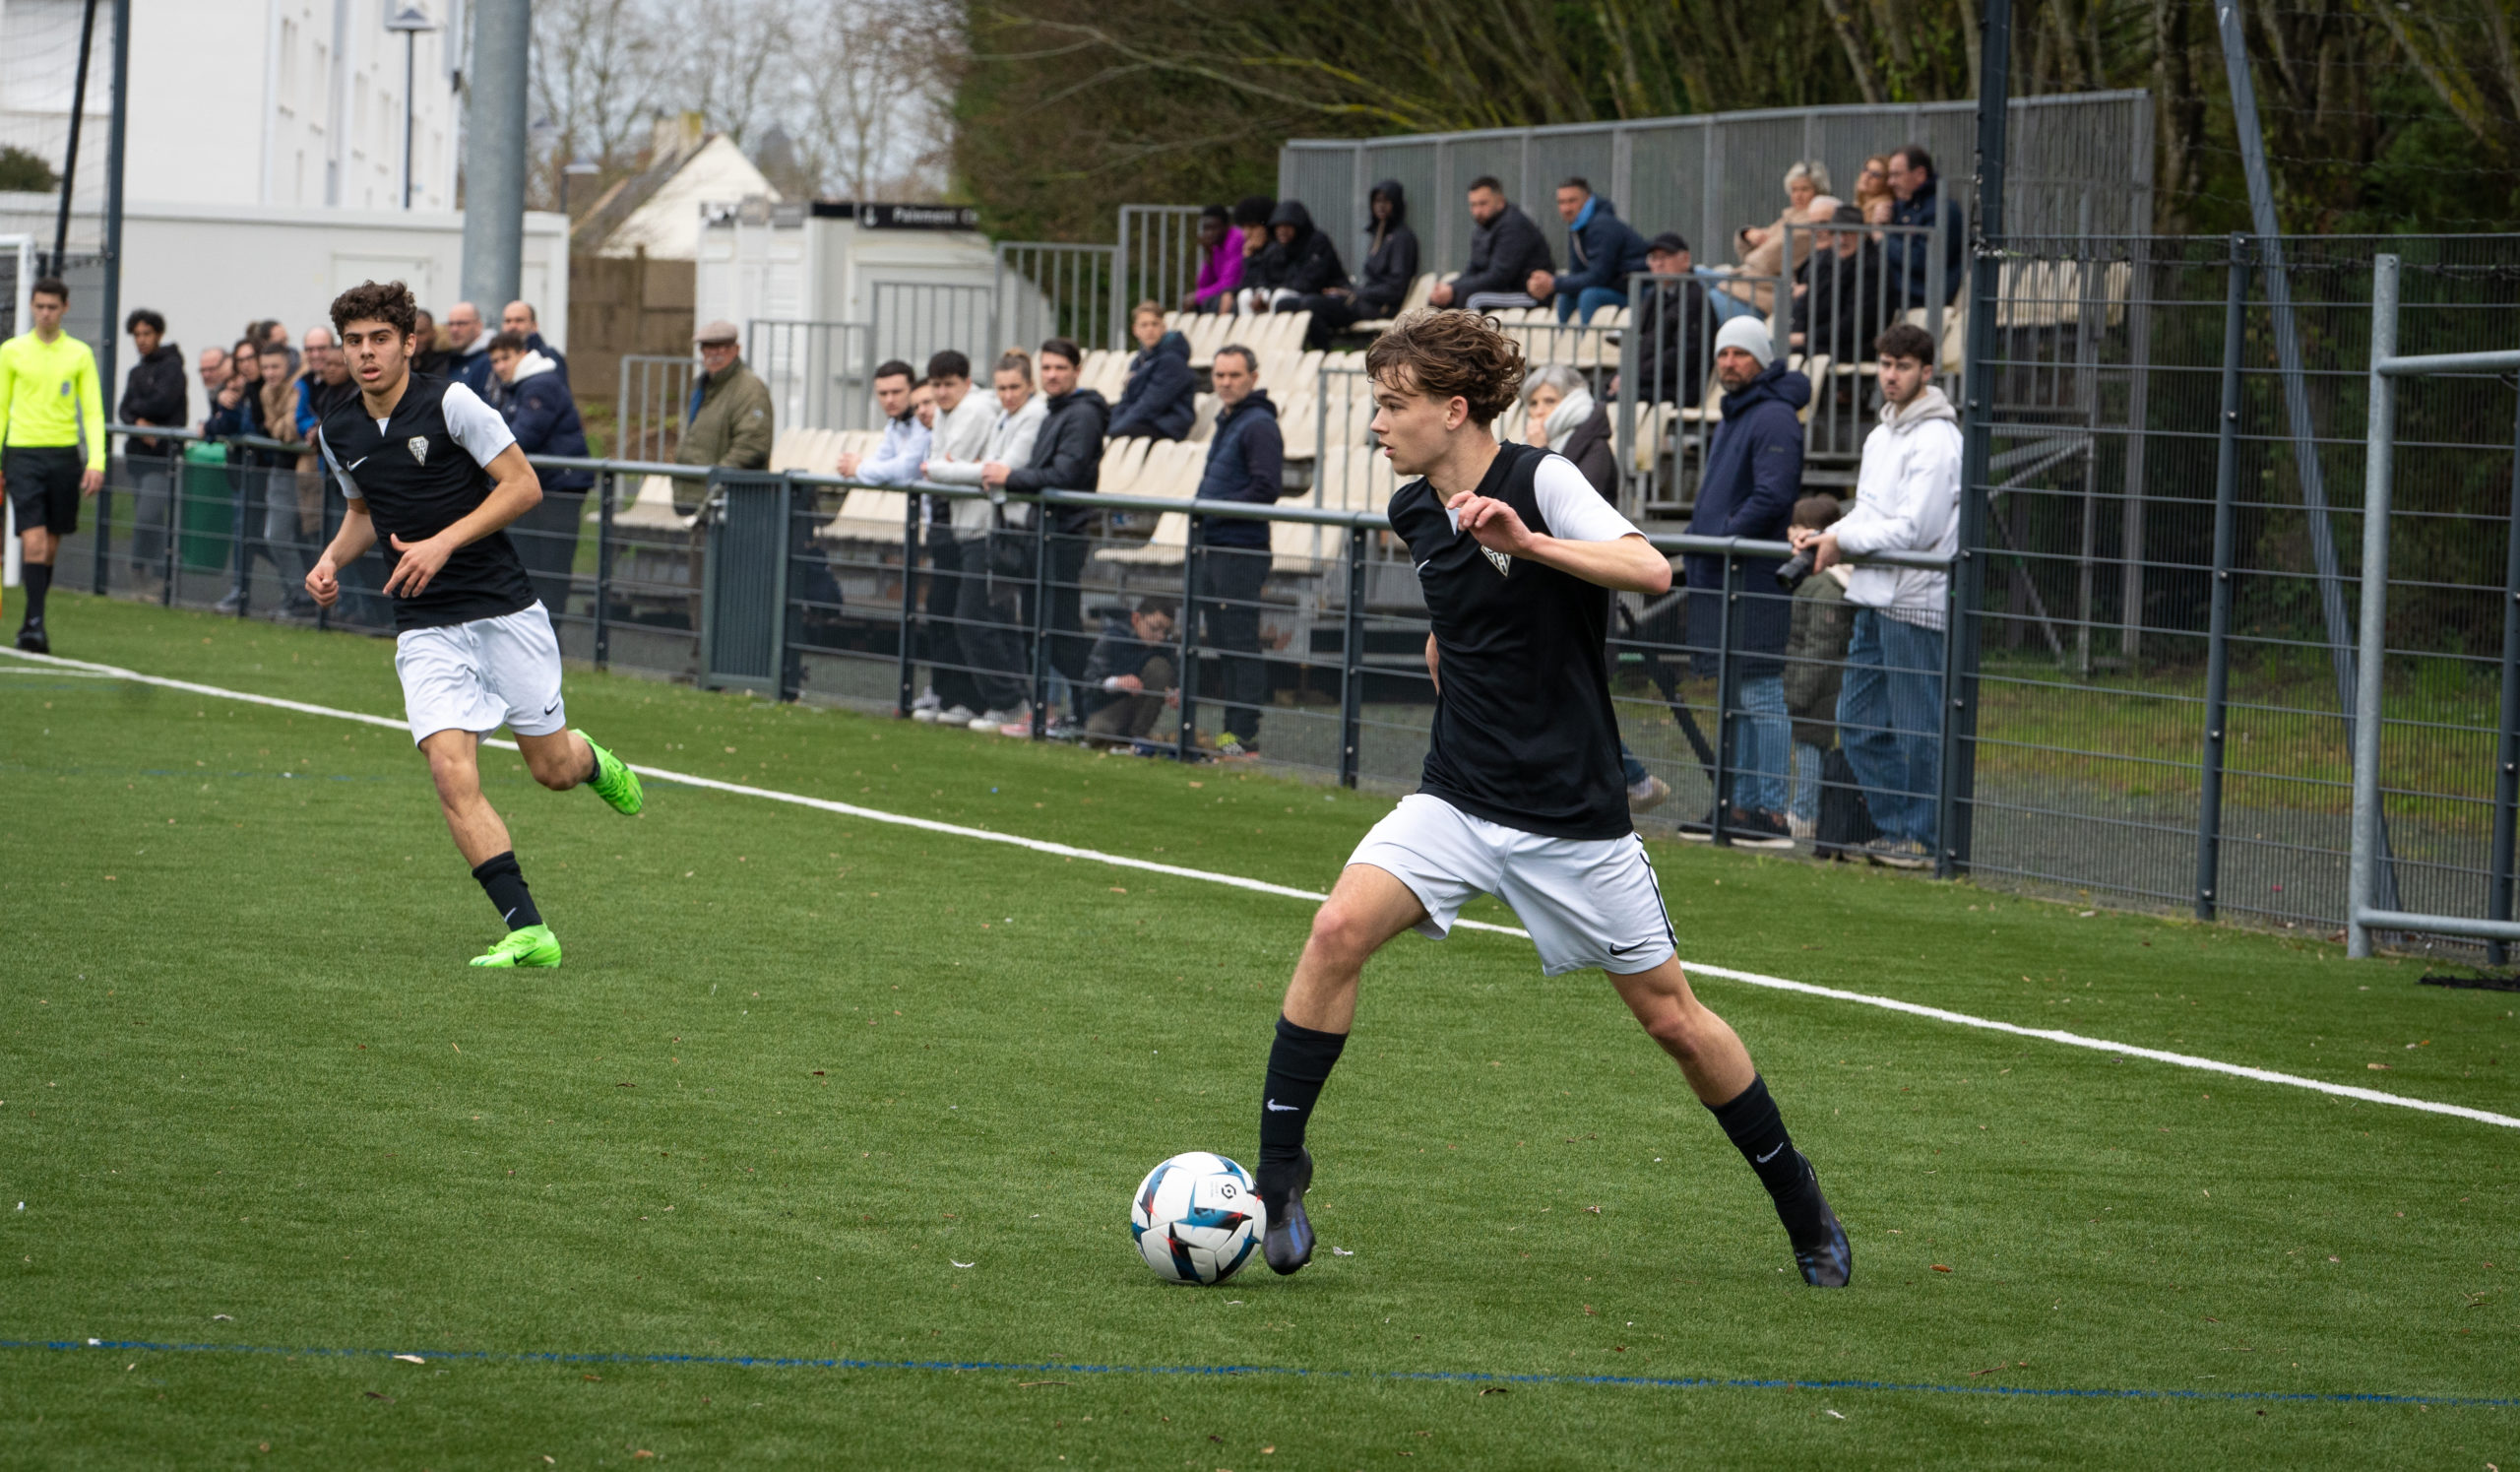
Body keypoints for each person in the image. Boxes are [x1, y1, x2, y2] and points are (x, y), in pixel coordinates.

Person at [1248, 307, 1847, 1289]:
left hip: (1570, 819)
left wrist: (1528, 542)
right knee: (1333, 932)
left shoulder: (1544, 478)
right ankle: (1278, 1175)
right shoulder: (1412, 510)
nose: (1376, 425)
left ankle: (1798, 1199)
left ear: (1452, 409)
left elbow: (1648, 567)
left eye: (1391, 406)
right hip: (1456, 799)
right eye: (1375, 405)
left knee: (1673, 1021)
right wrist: (1454, 646)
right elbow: (1464, 619)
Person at [302, 279, 645, 969]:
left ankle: (586, 757)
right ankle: (529, 930)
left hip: (502, 609)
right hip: (425, 624)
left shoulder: (452, 402)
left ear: (407, 343)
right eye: (354, 342)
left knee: (548, 768)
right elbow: (365, 514)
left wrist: (443, 541)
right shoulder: (335, 429)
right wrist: (330, 559)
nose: (365, 354)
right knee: (449, 770)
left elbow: (524, 486)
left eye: (379, 340)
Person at [1792, 322, 1960, 870]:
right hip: (1870, 594)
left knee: (1918, 729)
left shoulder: (1938, 439)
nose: (1891, 375)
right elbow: (1870, 513)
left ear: (1927, 372)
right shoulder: (1881, 433)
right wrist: (1828, 535)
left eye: (1903, 366)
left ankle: (1925, 840)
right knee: (1858, 723)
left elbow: (1916, 529)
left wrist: (1842, 540)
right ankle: (1903, 833)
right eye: (1885, 364)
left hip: (1914, 602)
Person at [1682, 315, 1806, 850]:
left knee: (1759, 691)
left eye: (1740, 353)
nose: (1729, 362)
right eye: (1723, 352)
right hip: (1722, 573)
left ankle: (1770, 813)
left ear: (1762, 358)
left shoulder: (1774, 416)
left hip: (1749, 576)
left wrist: (1725, 537)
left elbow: (1773, 496)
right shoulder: (1738, 413)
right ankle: (1740, 806)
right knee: (1737, 693)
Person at [1523, 360, 1665, 812]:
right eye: (1533, 403)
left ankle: (1630, 784)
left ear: (1571, 400)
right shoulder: (1566, 446)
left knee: (1571, 703)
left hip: (1577, 597)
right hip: (1553, 594)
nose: (1540, 411)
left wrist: (1535, 455)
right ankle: (1628, 785)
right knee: (1563, 704)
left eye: (1549, 401)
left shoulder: (1589, 451)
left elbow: (1562, 523)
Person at [986, 336, 1108, 727]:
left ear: (1077, 370)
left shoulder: (1082, 415)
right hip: (1045, 533)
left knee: (1060, 633)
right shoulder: (1058, 411)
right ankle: (1064, 714)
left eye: (1060, 368)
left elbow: (1066, 475)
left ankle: (1086, 713)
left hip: (1063, 534)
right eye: (1047, 368)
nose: (1053, 375)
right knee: (1046, 631)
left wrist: (1012, 478)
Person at [924, 350, 1046, 732]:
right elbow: (953, 467)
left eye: (1015, 387)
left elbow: (987, 470)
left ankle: (1012, 703)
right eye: (1003, 388)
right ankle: (1007, 703)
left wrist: (947, 467)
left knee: (977, 618)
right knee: (987, 618)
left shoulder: (985, 411)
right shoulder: (998, 414)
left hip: (993, 529)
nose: (1008, 395)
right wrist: (955, 468)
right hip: (978, 527)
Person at [1185, 344, 1288, 761]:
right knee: (1226, 642)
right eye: (1219, 375)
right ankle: (1234, 733)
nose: (1225, 383)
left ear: (1253, 378)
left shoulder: (1258, 424)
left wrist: (1217, 514)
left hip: (1239, 550)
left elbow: (1266, 488)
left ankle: (1242, 737)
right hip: (1219, 546)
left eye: (1234, 375)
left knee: (1240, 642)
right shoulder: (1228, 420)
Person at [0, 277, 104, 653]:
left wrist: (97, 460)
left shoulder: (78, 354)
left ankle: (33, 616)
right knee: (34, 538)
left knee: (50, 545)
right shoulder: (12, 351)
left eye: (52, 307)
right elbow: (0, 407)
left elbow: (92, 410)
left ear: (65, 308)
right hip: (23, 453)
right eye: (40, 306)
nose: (45, 313)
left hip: (63, 456)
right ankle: (34, 624)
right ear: (31, 306)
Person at [913, 350, 996, 727]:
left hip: (978, 526)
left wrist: (943, 468)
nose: (943, 393)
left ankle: (977, 699)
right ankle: (951, 695)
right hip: (955, 524)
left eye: (949, 384)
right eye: (937, 385)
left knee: (969, 615)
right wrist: (943, 467)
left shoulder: (976, 409)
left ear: (966, 382)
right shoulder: (948, 412)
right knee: (944, 611)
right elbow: (939, 465)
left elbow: (945, 467)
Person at [486, 329, 595, 616]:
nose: (500, 366)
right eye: (494, 361)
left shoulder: (539, 384)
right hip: (545, 485)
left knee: (551, 567)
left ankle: (551, 633)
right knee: (534, 564)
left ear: (522, 354)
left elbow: (520, 437)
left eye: (505, 358)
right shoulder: (521, 386)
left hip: (559, 487)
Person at [1781, 494, 1853, 841]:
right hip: (1817, 683)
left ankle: (1806, 813)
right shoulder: (1817, 582)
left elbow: (1819, 645)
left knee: (1811, 747)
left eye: (1795, 526)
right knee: (1810, 746)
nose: (1789, 532)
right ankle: (1807, 811)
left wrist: (1798, 690)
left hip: (1819, 687)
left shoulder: (1825, 588)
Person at [118, 308, 189, 590]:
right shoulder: (136, 371)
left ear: (158, 334)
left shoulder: (172, 367)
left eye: (147, 333)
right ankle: (152, 577)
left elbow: (163, 402)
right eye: (137, 335)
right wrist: (138, 422)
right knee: (149, 516)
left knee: (148, 515)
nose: (142, 340)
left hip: (162, 457)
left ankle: (141, 567)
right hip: (138, 455)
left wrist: (140, 416)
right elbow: (123, 409)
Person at [1298, 180, 1418, 342]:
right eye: (1377, 201)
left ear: (1395, 203)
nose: (1380, 206)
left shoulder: (1402, 238)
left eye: (1386, 200)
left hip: (1379, 307)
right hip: (1364, 301)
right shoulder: (1378, 234)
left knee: (1311, 304)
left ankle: (1322, 354)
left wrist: (1355, 293)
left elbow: (1395, 288)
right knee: (1292, 303)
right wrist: (1349, 290)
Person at [1529, 178, 1651, 325]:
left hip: (1637, 290)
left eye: (1572, 201)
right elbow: (1577, 274)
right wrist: (1548, 284)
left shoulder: (1602, 225)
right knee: (1566, 297)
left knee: (1590, 296)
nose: (1566, 208)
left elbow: (1599, 276)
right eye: (1561, 202)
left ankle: (1592, 346)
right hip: (1614, 286)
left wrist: (1554, 283)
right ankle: (1568, 344)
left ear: (1587, 199)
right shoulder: (1578, 227)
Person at [1428, 177, 1552, 313]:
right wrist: (1448, 288)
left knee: (1473, 300)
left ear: (1500, 201)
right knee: (1436, 301)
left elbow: (1499, 277)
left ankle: (1472, 335)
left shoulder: (1514, 226)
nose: (1477, 211)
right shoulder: (1482, 228)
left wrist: (1454, 289)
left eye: (1483, 204)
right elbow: (1472, 271)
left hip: (1527, 294)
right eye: (1473, 205)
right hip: (1500, 291)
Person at [1791, 203, 1889, 369]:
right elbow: (1804, 305)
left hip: (1853, 347)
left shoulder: (1872, 267)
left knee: (1789, 351)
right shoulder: (1825, 260)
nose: (1842, 239)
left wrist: (1806, 338)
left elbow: (1856, 323)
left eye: (1849, 233)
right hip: (1822, 341)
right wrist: (1796, 333)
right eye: (1836, 233)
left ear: (1863, 235)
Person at [1725, 161, 1828, 316]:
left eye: (1804, 189)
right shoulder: (1790, 216)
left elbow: (1770, 258)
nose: (1798, 195)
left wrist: (1754, 254)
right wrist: (1747, 234)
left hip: (1761, 296)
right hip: (1747, 285)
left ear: (1818, 191)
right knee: (1695, 275)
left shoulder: (1811, 224)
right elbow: (1760, 245)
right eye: (1794, 190)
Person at [1079, 595, 1179, 743]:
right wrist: (1117, 682)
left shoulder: (1165, 646)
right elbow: (1089, 685)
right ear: (1136, 619)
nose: (1160, 636)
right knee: (1097, 732)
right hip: (1110, 704)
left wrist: (1176, 690)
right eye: (1154, 628)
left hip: (1142, 707)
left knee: (1159, 668)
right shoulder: (1111, 638)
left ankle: (1137, 738)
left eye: (1165, 632)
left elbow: (1176, 674)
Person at [676, 321, 773, 473]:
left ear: (736, 350)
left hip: (727, 490)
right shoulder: (701, 386)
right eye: (708, 347)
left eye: (722, 347)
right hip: (693, 487)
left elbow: (752, 444)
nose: (714, 354)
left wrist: (719, 479)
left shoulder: (750, 389)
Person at [1629, 232, 1710, 408]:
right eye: (1653, 258)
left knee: (1619, 400)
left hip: (1678, 388)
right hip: (1651, 381)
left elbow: (1683, 355)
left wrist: (1635, 375)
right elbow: (1641, 341)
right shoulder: (1655, 295)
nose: (1658, 264)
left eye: (1664, 257)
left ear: (1685, 260)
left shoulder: (1694, 299)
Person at [1883, 145, 1966, 312]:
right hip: (1897, 292)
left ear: (1920, 174)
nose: (1890, 182)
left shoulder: (1942, 210)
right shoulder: (1901, 207)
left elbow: (1923, 260)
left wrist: (1882, 239)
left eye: (1896, 175)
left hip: (1922, 296)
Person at [1105, 303, 1195, 441]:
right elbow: (1126, 399)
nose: (1150, 329)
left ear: (1163, 327)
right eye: (1144, 325)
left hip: (1165, 427)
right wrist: (1111, 426)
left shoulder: (1172, 361)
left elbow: (1151, 404)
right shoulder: (1139, 361)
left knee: (1114, 436)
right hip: (1143, 422)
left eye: (1155, 324)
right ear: (1135, 330)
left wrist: (1113, 431)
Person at [1245, 200, 1347, 317]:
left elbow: (1309, 282)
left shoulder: (1316, 242)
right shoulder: (1276, 248)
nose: (1282, 230)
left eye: (1287, 225)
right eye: (1278, 226)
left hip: (1321, 294)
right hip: (1285, 291)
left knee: (1280, 296)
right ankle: (1251, 335)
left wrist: (1271, 293)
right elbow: (1264, 277)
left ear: (1298, 226)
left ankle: (1280, 335)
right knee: (1246, 297)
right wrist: (1261, 292)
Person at [837, 358, 928, 483]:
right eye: (883, 393)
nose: (889, 400)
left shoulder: (925, 422)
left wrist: (858, 468)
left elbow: (905, 470)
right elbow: (881, 460)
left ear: (912, 390)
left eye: (896, 392)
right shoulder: (894, 424)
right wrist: (857, 465)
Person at [1185, 205, 1244, 314]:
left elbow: (1229, 283)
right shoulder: (1215, 246)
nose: (1209, 233)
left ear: (1226, 226)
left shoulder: (1236, 239)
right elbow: (1202, 285)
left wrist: (1198, 296)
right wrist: (1208, 254)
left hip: (1237, 293)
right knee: (1198, 302)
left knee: (1209, 302)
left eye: (1213, 228)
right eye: (1205, 229)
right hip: (1223, 294)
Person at [499, 301, 568, 384]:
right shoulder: (492, 358)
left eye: (519, 320)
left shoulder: (548, 358)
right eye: (508, 321)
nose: (512, 326)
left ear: (534, 326)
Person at [440, 301, 493, 395]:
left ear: (478, 325)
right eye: (451, 324)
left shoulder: (490, 360)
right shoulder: (448, 359)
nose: (454, 329)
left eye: (461, 324)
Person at [1854, 155, 1896, 225]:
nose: (1867, 176)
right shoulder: (1861, 204)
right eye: (1865, 170)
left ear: (1887, 182)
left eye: (1875, 174)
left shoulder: (1883, 207)